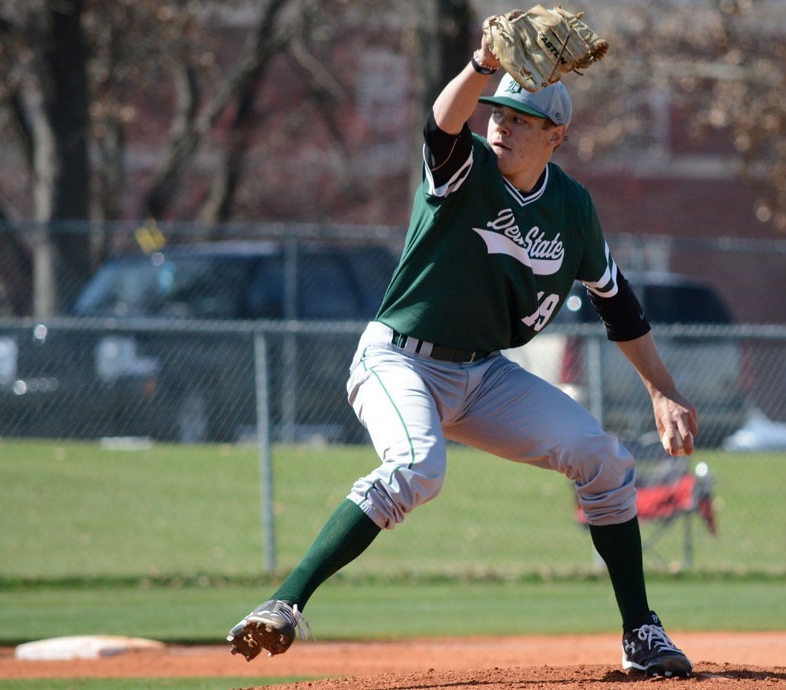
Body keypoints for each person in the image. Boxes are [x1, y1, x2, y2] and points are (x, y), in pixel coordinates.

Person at [225, 34, 700, 678]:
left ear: (555, 135)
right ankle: (285, 603)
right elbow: (442, 122)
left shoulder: (572, 209)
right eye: (498, 112)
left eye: (521, 118)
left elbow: (618, 305)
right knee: (419, 466)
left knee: (605, 460)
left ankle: (640, 632)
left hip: (481, 373)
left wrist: (662, 389)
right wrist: (482, 67)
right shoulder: (463, 167)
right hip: (399, 359)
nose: (502, 124)